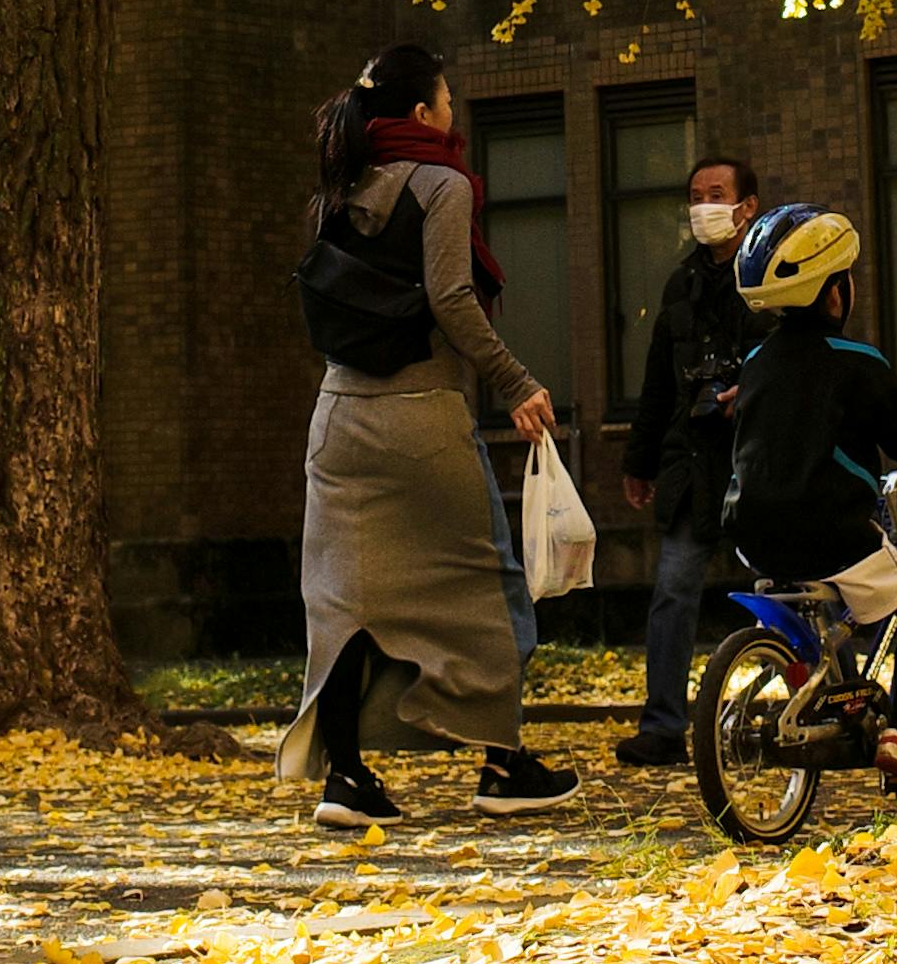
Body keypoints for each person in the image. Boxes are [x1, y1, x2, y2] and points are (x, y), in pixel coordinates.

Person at [276, 44, 576, 827]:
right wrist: (515, 381)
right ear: (420, 115)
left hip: (337, 417)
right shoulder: (442, 184)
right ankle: (502, 767)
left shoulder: (338, 191)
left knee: (344, 606)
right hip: (420, 415)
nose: (453, 113)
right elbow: (448, 294)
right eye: (447, 100)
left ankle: (345, 779)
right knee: (485, 586)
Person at [724, 195, 897, 799]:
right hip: (829, 527)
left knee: (830, 607)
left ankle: (838, 701)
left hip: (752, 533)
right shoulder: (857, 361)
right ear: (834, 294)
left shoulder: (755, 363)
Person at [618, 150, 758, 769]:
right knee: (673, 591)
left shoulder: (772, 277)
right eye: (697, 195)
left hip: (760, 462)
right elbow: (656, 383)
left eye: (718, 193)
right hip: (690, 462)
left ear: (747, 206)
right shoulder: (682, 283)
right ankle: (663, 725)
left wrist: (749, 390)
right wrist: (639, 461)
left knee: (790, 590)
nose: (706, 206)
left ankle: (804, 708)